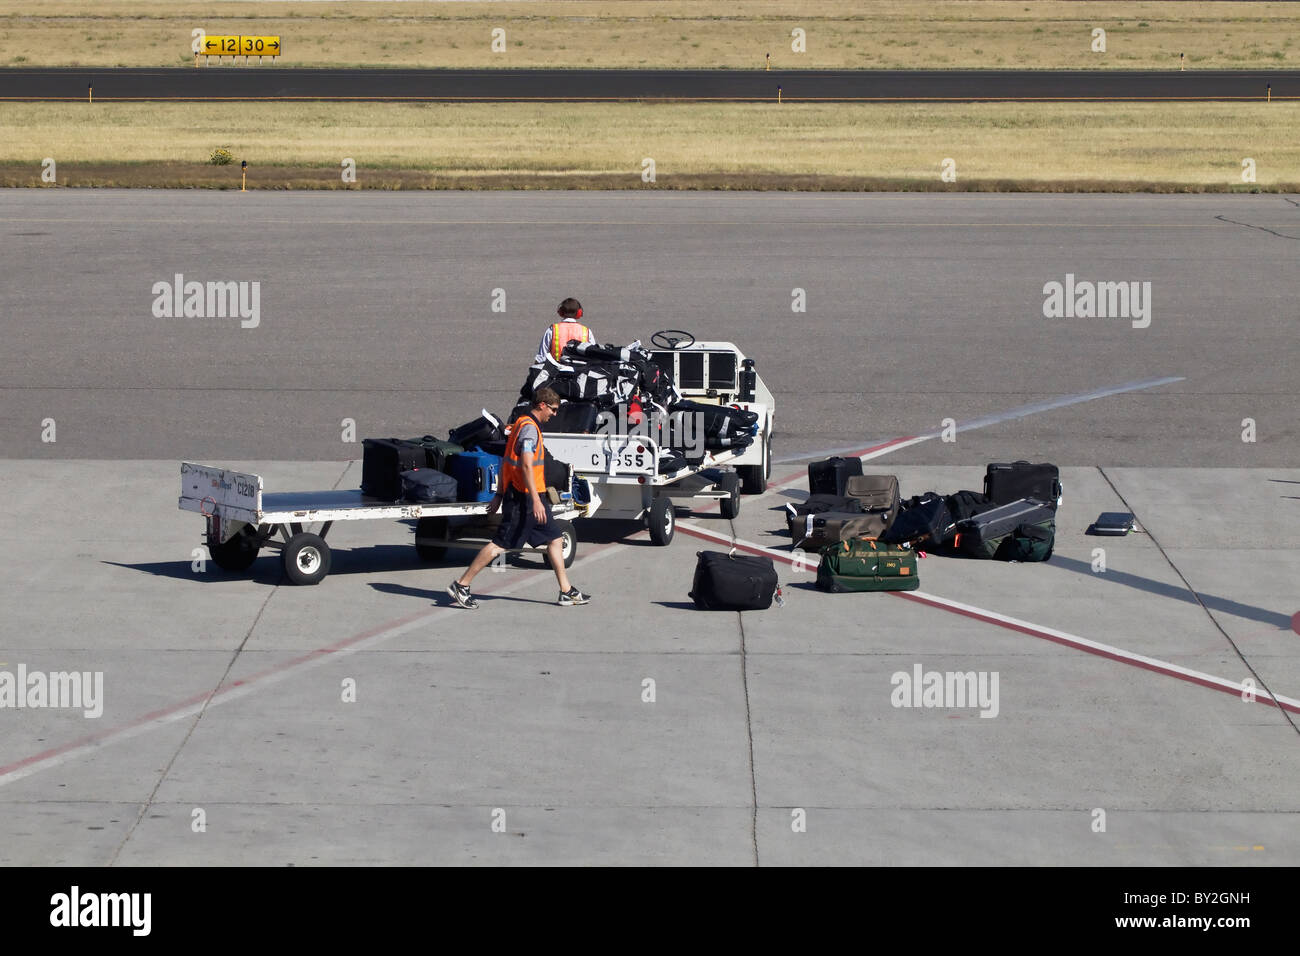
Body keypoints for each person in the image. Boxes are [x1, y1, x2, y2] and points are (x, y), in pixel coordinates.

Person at [448, 387, 591, 609]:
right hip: (525, 499)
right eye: (553, 410)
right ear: (542, 405)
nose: (554, 414)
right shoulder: (529, 430)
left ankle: (566, 591)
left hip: (530, 496)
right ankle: (462, 584)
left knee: (554, 538)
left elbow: (507, 461)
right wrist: (534, 499)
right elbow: (524, 464)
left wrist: (499, 494)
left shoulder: (521, 424)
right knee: (500, 544)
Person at [535, 297, 597, 365]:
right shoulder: (586, 332)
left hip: (556, 372)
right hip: (580, 372)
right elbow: (593, 356)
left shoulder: (553, 330)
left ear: (560, 312)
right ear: (579, 313)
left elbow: (541, 357)